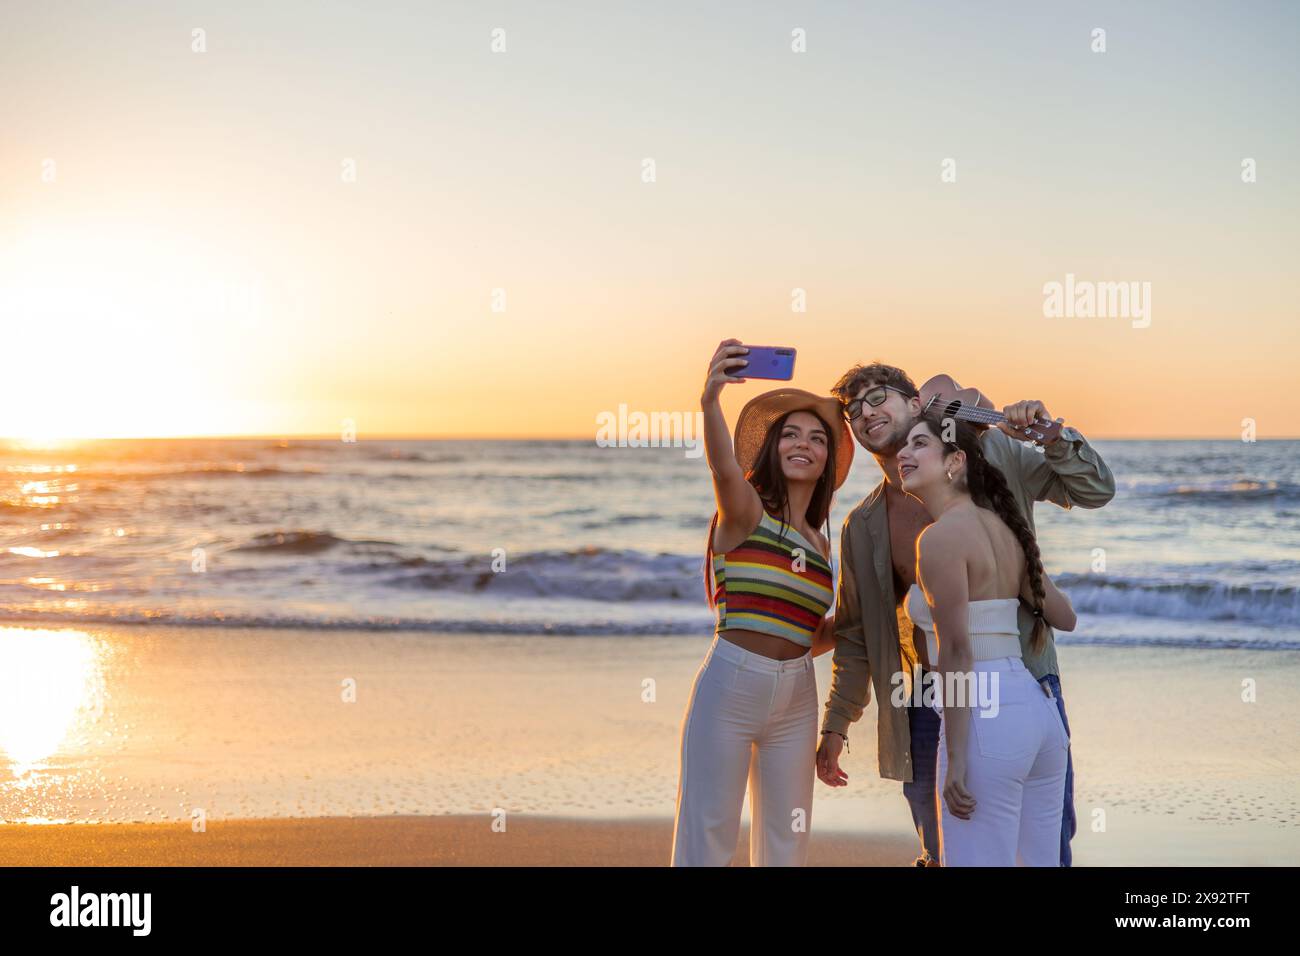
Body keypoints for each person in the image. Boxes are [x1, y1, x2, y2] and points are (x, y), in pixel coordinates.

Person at [815, 363, 1114, 867]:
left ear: (915, 405)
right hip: (928, 704)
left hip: (1022, 683)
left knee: (1036, 851)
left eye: (878, 397)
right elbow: (856, 635)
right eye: (853, 409)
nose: (866, 413)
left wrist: (1051, 435)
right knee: (946, 852)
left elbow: (1094, 491)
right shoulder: (864, 525)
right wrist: (837, 724)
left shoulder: (994, 455)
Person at [671, 339, 854, 866]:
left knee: (786, 841)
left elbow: (807, 635)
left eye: (818, 439)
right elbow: (723, 468)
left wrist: (864, 615)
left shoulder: (822, 544)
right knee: (708, 832)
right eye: (791, 434)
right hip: (730, 684)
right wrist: (710, 401)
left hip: (797, 695)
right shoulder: (746, 510)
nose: (804, 444)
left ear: (827, 460)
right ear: (773, 447)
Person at [898, 411, 1076, 865]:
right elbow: (1064, 615)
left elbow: (956, 651)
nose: (903, 452)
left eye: (919, 444)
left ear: (955, 461)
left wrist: (956, 757)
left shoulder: (938, 539)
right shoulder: (1005, 529)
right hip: (1039, 717)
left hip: (986, 718)